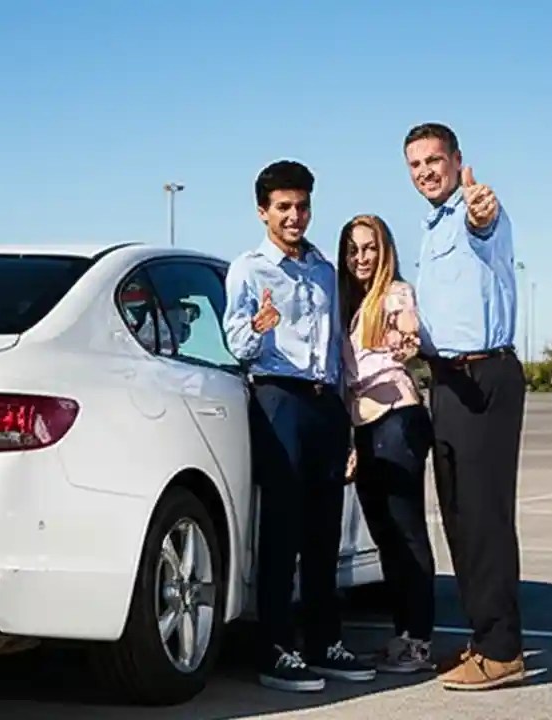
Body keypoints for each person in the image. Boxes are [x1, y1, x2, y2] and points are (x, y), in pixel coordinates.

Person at [223, 159, 375, 693]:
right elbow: (235, 345)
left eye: (302, 206)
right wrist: (258, 327)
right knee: (282, 531)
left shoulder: (323, 271)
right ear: (263, 211)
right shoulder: (248, 269)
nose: (295, 216)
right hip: (277, 400)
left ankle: (324, 642)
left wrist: (348, 424)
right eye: (283, 207)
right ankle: (276, 648)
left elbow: (336, 349)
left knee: (323, 532)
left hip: (323, 405)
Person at [402, 122, 527, 690]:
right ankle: (484, 639)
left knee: (485, 516)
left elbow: (485, 222)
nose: (426, 171)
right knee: (457, 514)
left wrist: (479, 208)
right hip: (448, 380)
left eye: (434, 160)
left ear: (457, 161)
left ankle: (502, 652)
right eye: (415, 164)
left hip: (485, 375)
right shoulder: (429, 231)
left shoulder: (476, 215)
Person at [336, 213, 437, 674]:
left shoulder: (393, 293)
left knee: (406, 532)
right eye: (354, 249)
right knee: (385, 538)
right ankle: (403, 636)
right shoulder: (354, 305)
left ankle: (418, 641)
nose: (361, 257)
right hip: (368, 427)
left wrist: (407, 338)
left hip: (397, 419)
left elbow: (407, 328)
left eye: (370, 247)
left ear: (385, 250)